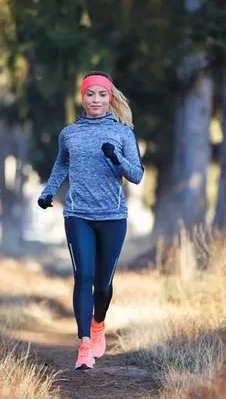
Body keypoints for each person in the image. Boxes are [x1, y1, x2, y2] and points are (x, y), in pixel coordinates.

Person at [36, 71, 144, 370]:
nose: (95, 100)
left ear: (110, 98)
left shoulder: (123, 134)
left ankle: (98, 325)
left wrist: (115, 159)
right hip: (77, 215)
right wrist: (48, 192)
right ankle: (85, 344)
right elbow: (61, 164)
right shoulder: (69, 133)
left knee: (103, 286)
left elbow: (136, 175)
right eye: (89, 94)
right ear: (82, 97)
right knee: (83, 276)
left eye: (101, 94)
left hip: (112, 217)